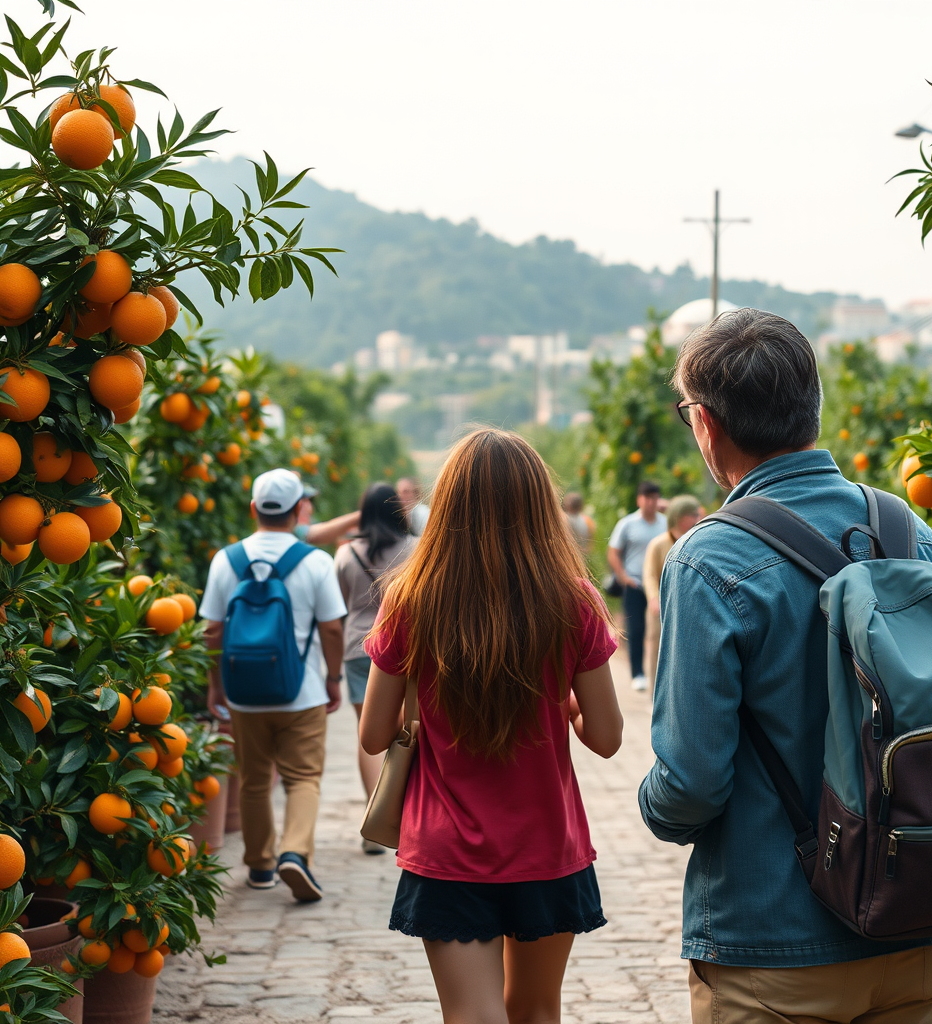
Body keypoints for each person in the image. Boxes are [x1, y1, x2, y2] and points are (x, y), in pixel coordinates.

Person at [638, 309, 932, 1021]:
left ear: (705, 423)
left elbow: (691, 784)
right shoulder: (910, 532)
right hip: (917, 926)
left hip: (773, 946)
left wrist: (651, 805)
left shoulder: (708, 559)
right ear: (814, 405)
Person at [360, 428, 623, 1024]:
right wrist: (566, 707)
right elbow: (608, 740)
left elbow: (374, 737)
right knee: (536, 1012)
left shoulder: (410, 599)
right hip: (546, 845)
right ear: (538, 507)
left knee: (471, 1015)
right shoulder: (575, 601)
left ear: (448, 507)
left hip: (446, 848)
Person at [201, 469, 347, 902]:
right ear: (299, 509)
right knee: (303, 777)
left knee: (253, 780)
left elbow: (211, 630)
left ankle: (260, 866)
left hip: (244, 695)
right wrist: (333, 678)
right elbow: (332, 629)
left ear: (254, 509)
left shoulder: (226, 560)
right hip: (303, 693)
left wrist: (217, 686)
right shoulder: (315, 561)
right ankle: (295, 853)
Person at [335, 482, 417, 854]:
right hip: (407, 647)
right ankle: (406, 813)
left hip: (358, 648)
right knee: (408, 728)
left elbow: (339, 605)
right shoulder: (415, 549)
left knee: (367, 732)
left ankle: (375, 819)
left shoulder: (346, 553)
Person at [607, 480, 665, 691]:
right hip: (634, 584)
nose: (651, 502)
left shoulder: (664, 523)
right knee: (636, 628)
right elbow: (613, 551)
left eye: (654, 498)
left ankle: (657, 673)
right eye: (647, 498)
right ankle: (637, 673)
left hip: (658, 586)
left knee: (659, 630)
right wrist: (623, 577)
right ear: (640, 499)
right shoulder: (627, 524)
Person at [641, 494, 703, 686]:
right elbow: (649, 575)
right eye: (693, 515)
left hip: (687, 606)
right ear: (680, 517)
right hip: (660, 607)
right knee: (657, 649)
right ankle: (655, 693)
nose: (698, 519)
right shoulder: (658, 544)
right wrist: (653, 598)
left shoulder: (697, 541)